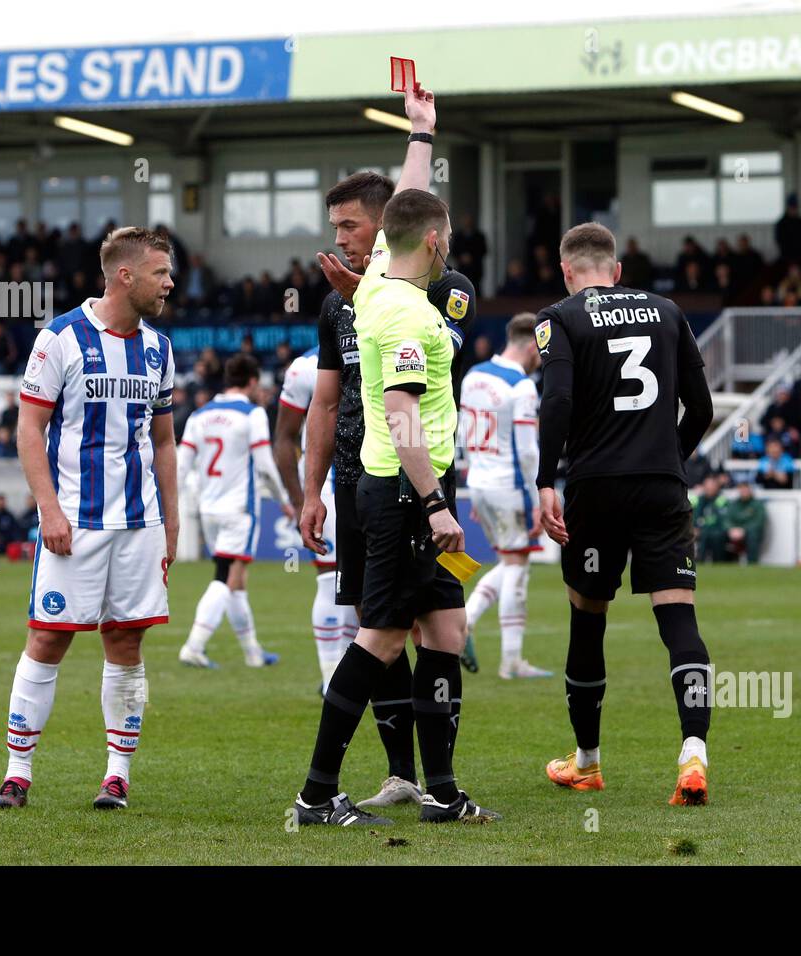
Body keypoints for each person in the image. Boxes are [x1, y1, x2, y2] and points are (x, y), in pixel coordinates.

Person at [292, 82, 497, 827]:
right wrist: (439, 504)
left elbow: (407, 203)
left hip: (407, 485)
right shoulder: (407, 307)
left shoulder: (374, 284)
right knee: (379, 637)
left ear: (388, 239)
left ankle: (439, 790)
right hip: (404, 492)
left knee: (446, 630)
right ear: (436, 244)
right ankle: (316, 794)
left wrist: (421, 132)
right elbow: (404, 413)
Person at [0, 227, 178, 813]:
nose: (169, 283)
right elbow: (29, 429)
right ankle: (18, 774)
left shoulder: (159, 348)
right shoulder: (59, 339)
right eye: (160, 272)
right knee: (47, 639)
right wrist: (49, 507)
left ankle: (116, 777)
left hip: (140, 523)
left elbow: (164, 442)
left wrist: (172, 523)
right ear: (125, 275)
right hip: (77, 522)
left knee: (125, 640)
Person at [536, 221, 715, 805]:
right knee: (678, 621)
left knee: (588, 619)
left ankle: (587, 762)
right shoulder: (667, 310)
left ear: (568, 272)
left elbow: (558, 400)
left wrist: (545, 480)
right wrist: (670, 459)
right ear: (616, 271)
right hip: (662, 488)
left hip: (595, 489)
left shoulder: (560, 317)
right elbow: (703, 406)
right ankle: (693, 754)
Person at [176, 353, 290, 669]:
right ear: (252, 382)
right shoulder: (252, 415)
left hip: (207, 508)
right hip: (239, 509)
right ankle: (194, 646)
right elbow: (266, 465)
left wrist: (173, 503)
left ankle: (252, 652)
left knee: (237, 580)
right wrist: (285, 499)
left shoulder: (200, 416)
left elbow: (182, 465)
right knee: (225, 577)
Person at [458, 313, 552, 679]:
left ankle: (465, 621)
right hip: (510, 486)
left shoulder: (473, 376)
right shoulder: (523, 386)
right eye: (541, 351)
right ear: (531, 345)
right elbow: (528, 452)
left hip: (480, 481)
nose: (542, 358)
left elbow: (464, 434)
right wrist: (536, 500)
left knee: (510, 560)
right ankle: (511, 660)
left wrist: (475, 486)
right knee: (517, 567)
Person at [273, 346, 359, 692]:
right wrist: (300, 502)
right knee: (330, 579)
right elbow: (283, 437)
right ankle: (331, 678)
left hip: (370, 483)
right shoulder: (306, 368)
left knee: (360, 585)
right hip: (327, 486)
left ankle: (345, 676)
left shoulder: (303, 367)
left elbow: (282, 439)